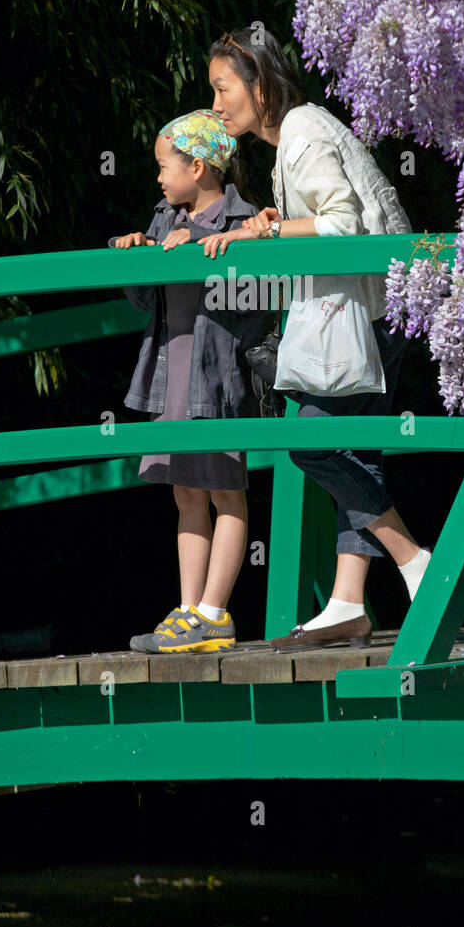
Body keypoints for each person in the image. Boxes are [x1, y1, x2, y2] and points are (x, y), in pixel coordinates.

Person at [199, 29, 432, 650]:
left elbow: (343, 224)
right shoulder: (296, 134)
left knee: (310, 443)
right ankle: (349, 604)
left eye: (223, 88)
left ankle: (416, 563)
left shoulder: (299, 130)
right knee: (355, 455)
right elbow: (330, 215)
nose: (217, 105)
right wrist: (279, 220)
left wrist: (266, 235)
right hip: (381, 306)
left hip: (367, 308)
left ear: (258, 83)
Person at [110, 110, 266, 653]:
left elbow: (254, 301)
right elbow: (145, 296)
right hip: (170, 369)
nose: (158, 178)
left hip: (217, 374)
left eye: (163, 167)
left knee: (226, 489)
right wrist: (137, 253)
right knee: (185, 492)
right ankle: (187, 610)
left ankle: (215, 613)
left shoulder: (244, 220)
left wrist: (203, 241)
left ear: (197, 166)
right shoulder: (162, 215)